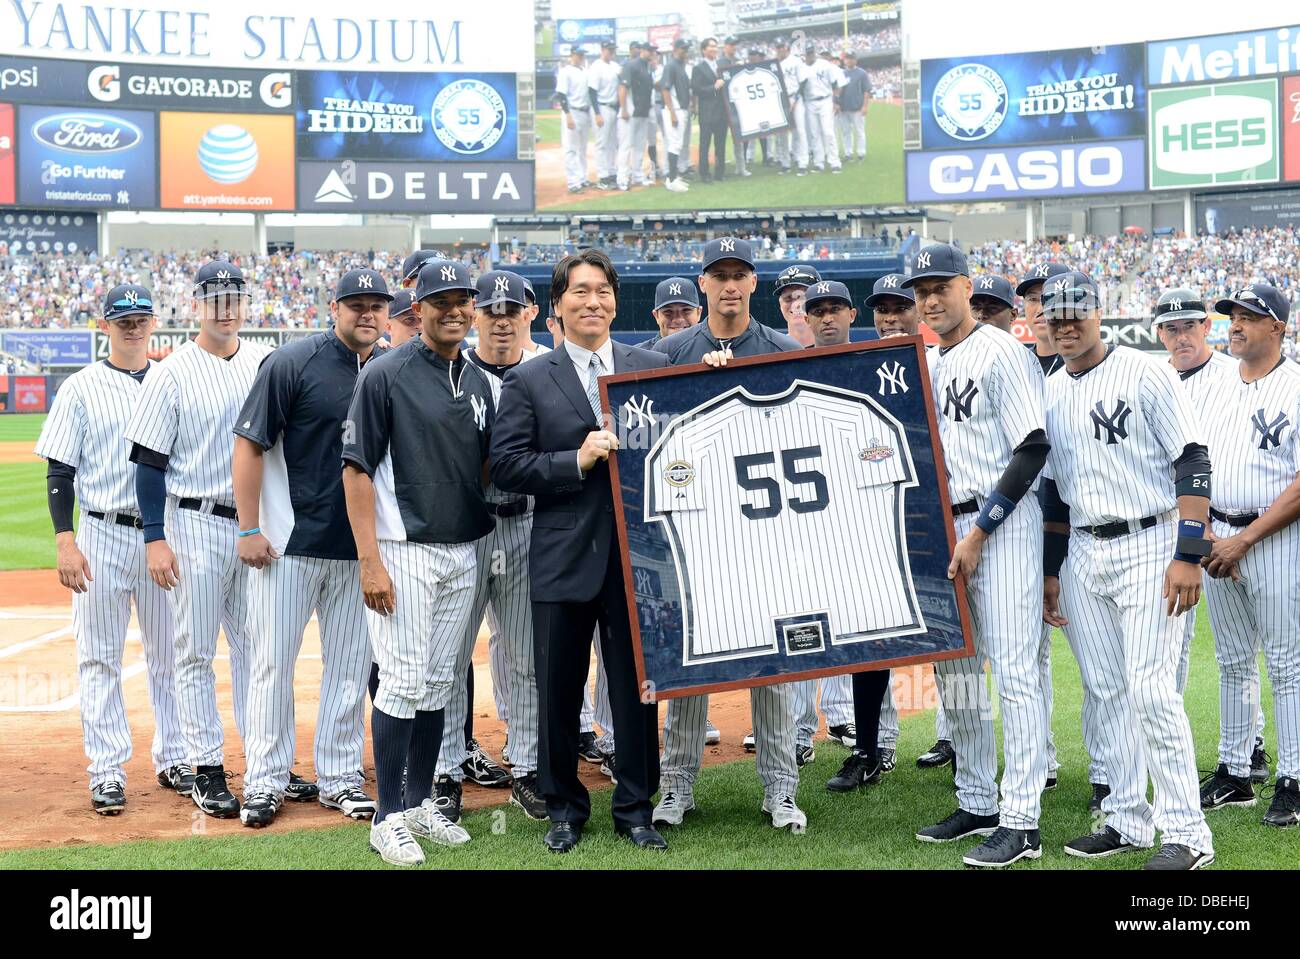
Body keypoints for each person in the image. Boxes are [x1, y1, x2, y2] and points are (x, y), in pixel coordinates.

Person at [490, 248, 670, 853]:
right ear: (558, 306)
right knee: (558, 691)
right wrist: (575, 460)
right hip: (563, 557)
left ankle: (637, 809)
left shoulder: (651, 364)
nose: (592, 302)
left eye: (602, 291)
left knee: (635, 690)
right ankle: (564, 808)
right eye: (580, 292)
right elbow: (507, 465)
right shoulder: (530, 378)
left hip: (639, 557)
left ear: (616, 301)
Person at [1040, 271, 1216, 870]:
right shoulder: (1051, 389)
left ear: (1098, 313)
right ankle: (1127, 818)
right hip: (1087, 549)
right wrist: (1053, 567)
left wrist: (1188, 553)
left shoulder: (1146, 371)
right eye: (1053, 317)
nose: (1064, 326)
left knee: (1150, 690)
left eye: (1075, 314)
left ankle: (1188, 835)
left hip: (1150, 537)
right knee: (1105, 692)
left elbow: (1192, 458)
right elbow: (1057, 494)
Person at [900, 244, 1052, 868]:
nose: (931, 299)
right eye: (921, 291)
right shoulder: (928, 360)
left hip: (1003, 521)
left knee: (1014, 673)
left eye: (941, 286)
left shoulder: (1002, 352)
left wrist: (981, 531)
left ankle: (1022, 819)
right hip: (948, 524)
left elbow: (1032, 448)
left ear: (966, 287)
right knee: (956, 672)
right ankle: (977, 799)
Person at [341, 258, 493, 865]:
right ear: (418, 308)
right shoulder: (386, 372)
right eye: (441, 300)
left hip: (463, 548)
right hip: (403, 550)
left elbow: (482, 467)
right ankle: (387, 817)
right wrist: (368, 560)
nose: (453, 309)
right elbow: (354, 470)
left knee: (438, 683)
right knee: (401, 683)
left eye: (463, 300)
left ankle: (422, 800)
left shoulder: (478, 379)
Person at [651, 237, 805, 832]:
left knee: (771, 663)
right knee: (693, 662)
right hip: (695, 531)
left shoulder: (783, 349)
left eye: (740, 273)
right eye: (720, 275)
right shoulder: (669, 352)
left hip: (766, 531)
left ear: (754, 282)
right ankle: (678, 787)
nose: (731, 285)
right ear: (703, 284)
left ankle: (781, 789)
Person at [124, 260, 287, 820]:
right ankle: (206, 767)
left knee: (259, 649)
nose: (225, 306)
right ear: (198, 304)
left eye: (234, 296)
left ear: (246, 304)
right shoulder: (171, 371)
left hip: (254, 524)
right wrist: (154, 537)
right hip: (192, 520)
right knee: (194, 648)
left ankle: (267, 768)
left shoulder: (265, 365)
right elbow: (148, 462)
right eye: (214, 296)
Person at [232, 268, 389, 828]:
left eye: (377, 304)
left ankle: (341, 777)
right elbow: (249, 444)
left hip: (358, 551)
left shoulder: (392, 367)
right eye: (357, 304)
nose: (367, 313)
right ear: (335, 306)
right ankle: (266, 780)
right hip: (288, 547)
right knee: (272, 666)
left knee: (349, 668)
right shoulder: (291, 362)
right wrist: (248, 528)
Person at [34, 282, 185, 815]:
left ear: (153, 322)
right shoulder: (80, 387)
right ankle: (106, 770)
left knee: (172, 654)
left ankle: (177, 758)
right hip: (101, 533)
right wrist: (65, 539)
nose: (133, 326)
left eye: (141, 317)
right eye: (122, 319)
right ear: (104, 326)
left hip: (163, 535)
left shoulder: (173, 380)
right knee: (99, 656)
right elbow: (60, 470)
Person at [424, 269, 550, 823]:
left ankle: (527, 768)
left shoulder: (550, 368)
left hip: (526, 523)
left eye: (511, 310)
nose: (501, 320)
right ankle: (446, 771)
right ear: (475, 315)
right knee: (450, 655)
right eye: (491, 311)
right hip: (466, 526)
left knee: (522, 653)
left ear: (530, 314)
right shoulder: (452, 368)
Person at [1152, 288, 1266, 780]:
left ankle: (1251, 748)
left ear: (1206, 327)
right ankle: (1172, 752)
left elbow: (1240, 461)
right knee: (1174, 646)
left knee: (1241, 651)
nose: (1181, 336)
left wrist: (1223, 532)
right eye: (1171, 328)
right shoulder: (1154, 378)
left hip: (1222, 528)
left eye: (1190, 326)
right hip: (1164, 531)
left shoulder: (1231, 377)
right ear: (1159, 333)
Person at [1198, 282, 1300, 827]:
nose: (1234, 324)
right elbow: (1196, 465)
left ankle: (1295, 779)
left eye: (1248, 316)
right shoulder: (1215, 388)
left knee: (1288, 665)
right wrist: (1214, 535)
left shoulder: (1296, 385)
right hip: (1220, 542)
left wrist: (1247, 537)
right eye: (1231, 315)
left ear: (1277, 327)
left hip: (1277, 542)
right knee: (1233, 661)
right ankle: (1236, 771)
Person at [796, 281, 885, 768]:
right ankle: (798, 733)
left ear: (852, 314)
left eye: (835, 309)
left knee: (876, 634)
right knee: (802, 629)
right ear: (806, 319)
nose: (827, 318)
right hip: (809, 524)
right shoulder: (791, 366)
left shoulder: (874, 364)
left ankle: (873, 746)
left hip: (866, 521)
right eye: (818, 311)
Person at [1014, 260, 1071, 796]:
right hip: (1036, 529)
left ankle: (1109, 778)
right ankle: (1044, 761)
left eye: (1047, 297)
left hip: (1096, 530)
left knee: (1109, 675)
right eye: (1031, 298)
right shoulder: (1025, 368)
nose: (1039, 307)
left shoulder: (1080, 368)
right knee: (1030, 657)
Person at [861, 272, 918, 771]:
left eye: (901, 306)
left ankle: (959, 742)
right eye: (883, 309)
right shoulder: (864, 366)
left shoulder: (941, 363)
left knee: (958, 648)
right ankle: (870, 746)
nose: (891, 317)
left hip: (947, 520)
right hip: (879, 522)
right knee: (873, 635)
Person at [617, 42, 655, 191]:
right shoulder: (631, 65)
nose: (652, 53)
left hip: (643, 112)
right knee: (626, 146)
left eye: (653, 51)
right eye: (650, 50)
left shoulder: (648, 67)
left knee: (640, 146)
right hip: (631, 112)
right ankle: (622, 178)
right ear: (643, 51)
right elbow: (622, 87)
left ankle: (638, 176)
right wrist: (624, 109)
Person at [556, 45, 593, 193]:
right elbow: (561, 94)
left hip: (584, 112)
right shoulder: (565, 71)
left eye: (583, 55)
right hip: (572, 112)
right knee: (571, 149)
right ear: (572, 55)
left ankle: (582, 178)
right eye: (579, 54)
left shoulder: (585, 71)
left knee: (582, 149)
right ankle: (573, 183)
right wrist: (568, 114)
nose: (581, 57)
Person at [692, 38, 729, 184]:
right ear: (704, 50)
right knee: (705, 144)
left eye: (715, 46)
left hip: (722, 111)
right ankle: (704, 173)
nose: (714, 49)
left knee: (721, 144)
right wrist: (714, 87)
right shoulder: (698, 68)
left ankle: (720, 173)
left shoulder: (722, 65)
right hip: (707, 112)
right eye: (711, 46)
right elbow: (696, 89)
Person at [587, 40, 623, 190]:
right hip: (602, 107)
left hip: (615, 108)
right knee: (601, 143)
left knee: (613, 143)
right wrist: (597, 113)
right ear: (602, 50)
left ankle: (611, 172)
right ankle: (603, 177)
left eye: (613, 49)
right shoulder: (596, 67)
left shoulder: (615, 66)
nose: (611, 52)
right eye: (609, 49)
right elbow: (592, 92)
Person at [659, 38, 693, 193]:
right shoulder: (671, 66)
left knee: (678, 145)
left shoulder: (681, 66)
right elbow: (665, 89)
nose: (685, 51)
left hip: (682, 109)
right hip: (674, 109)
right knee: (674, 144)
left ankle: (673, 177)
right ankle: (671, 180)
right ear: (676, 49)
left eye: (686, 49)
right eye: (683, 49)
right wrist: (672, 112)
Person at [803, 45, 843, 175]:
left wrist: (836, 102)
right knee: (814, 134)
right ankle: (818, 162)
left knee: (828, 132)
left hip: (825, 100)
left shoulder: (825, 65)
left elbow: (835, 84)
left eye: (811, 53)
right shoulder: (801, 67)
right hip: (810, 102)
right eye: (807, 53)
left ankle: (835, 162)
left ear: (814, 53)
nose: (810, 55)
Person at [637, 276, 701, 348]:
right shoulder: (637, 357)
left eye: (686, 310)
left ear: (699, 313)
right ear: (656, 316)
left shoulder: (712, 353)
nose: (678, 320)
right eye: (668, 312)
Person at [775, 37, 809, 176]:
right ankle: (785, 164)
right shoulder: (774, 64)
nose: (780, 49)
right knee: (782, 133)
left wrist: (795, 99)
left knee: (800, 131)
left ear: (787, 47)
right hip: (780, 100)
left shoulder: (795, 61)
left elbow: (803, 81)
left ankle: (803, 163)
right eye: (778, 46)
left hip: (796, 97)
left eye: (782, 46)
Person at [773, 263, 821, 348]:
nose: (796, 305)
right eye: (788, 298)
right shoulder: (769, 352)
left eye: (803, 297)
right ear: (780, 304)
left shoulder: (841, 352)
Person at [836, 51, 869, 162]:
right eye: (847, 58)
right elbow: (837, 91)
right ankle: (848, 153)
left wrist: (865, 106)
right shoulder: (841, 73)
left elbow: (866, 91)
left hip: (857, 108)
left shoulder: (862, 73)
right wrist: (837, 104)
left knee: (859, 132)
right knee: (846, 132)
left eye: (851, 58)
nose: (849, 60)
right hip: (844, 107)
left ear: (855, 59)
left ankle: (861, 153)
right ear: (844, 60)